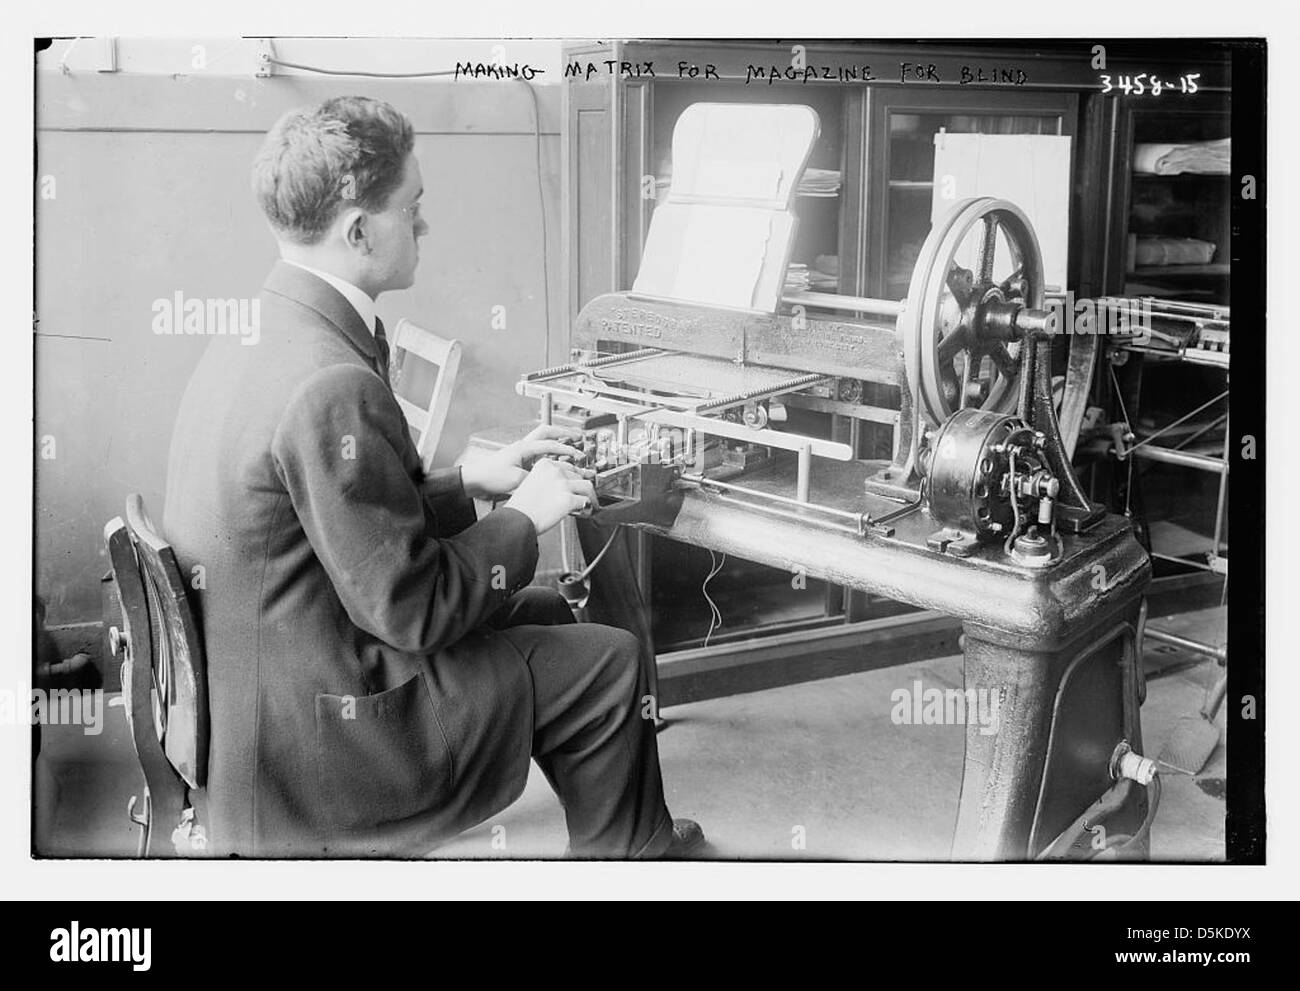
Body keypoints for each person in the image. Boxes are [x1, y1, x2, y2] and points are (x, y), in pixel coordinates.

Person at [162, 95, 702, 858]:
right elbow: (415, 610)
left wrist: (469, 481)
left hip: (274, 693)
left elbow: (339, 525)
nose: (423, 226)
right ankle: (630, 862)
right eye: (411, 208)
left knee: (553, 610)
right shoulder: (330, 385)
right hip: (326, 743)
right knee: (610, 664)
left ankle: (638, 838)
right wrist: (526, 514)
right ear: (357, 230)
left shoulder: (263, 330)